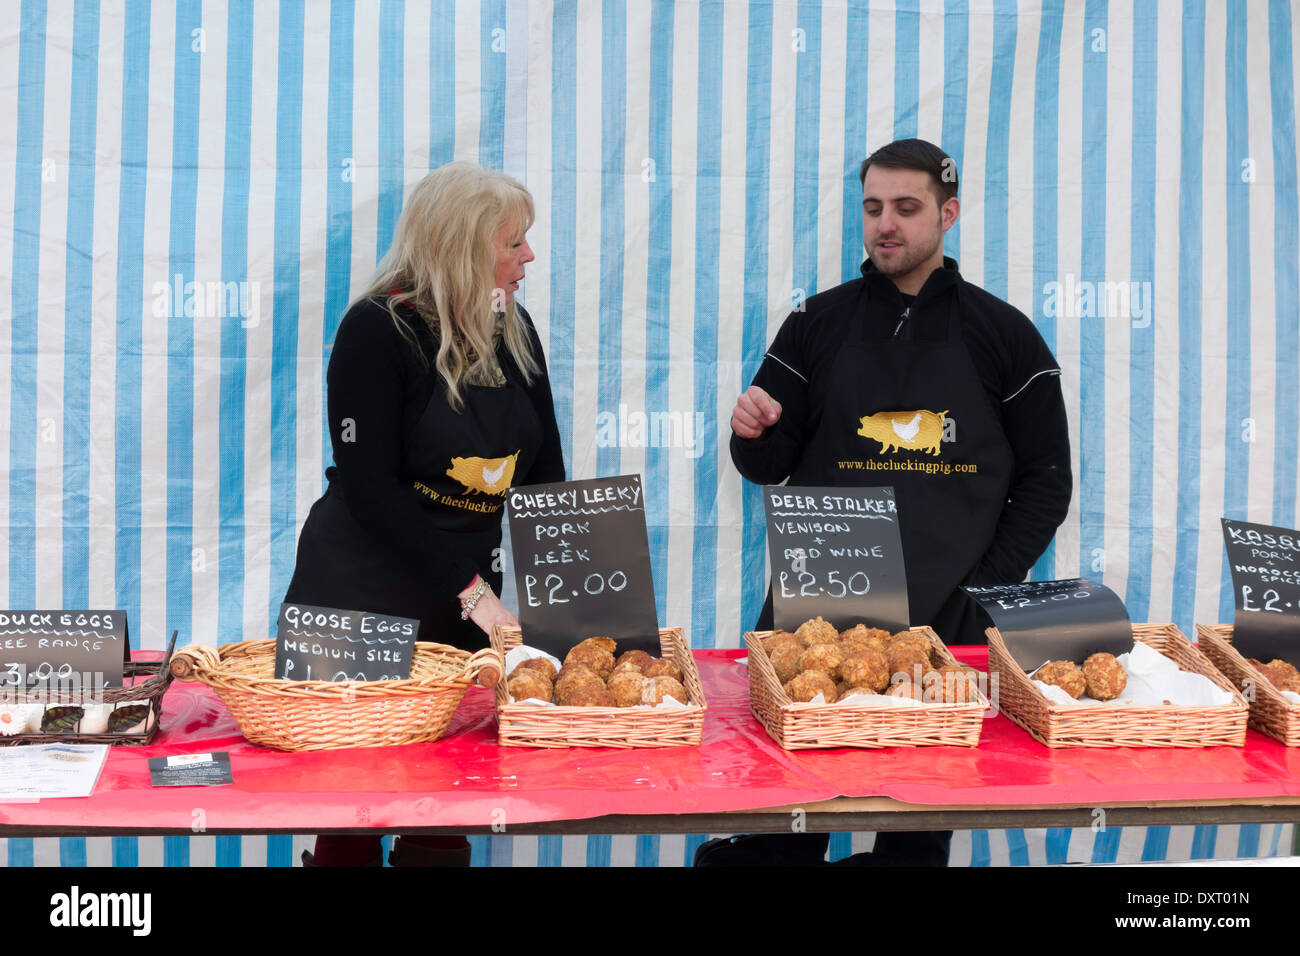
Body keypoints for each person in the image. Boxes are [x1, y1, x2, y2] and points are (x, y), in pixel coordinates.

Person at [700, 138, 1072, 867]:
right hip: (813, 616)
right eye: (872, 208)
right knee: (784, 829)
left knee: (915, 846)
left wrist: (983, 589)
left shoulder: (1006, 335)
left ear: (948, 214)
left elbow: (1046, 481)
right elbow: (767, 463)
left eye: (906, 208)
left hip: (947, 625)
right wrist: (751, 433)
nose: (885, 225)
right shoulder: (818, 322)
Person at [286, 162, 565, 866]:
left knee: (447, 809)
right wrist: (477, 596)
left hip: (463, 604)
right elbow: (371, 490)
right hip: (361, 597)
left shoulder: (514, 328)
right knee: (351, 809)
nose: (528, 257)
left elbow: (545, 474)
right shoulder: (374, 330)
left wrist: (579, 591)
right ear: (465, 247)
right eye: (514, 243)